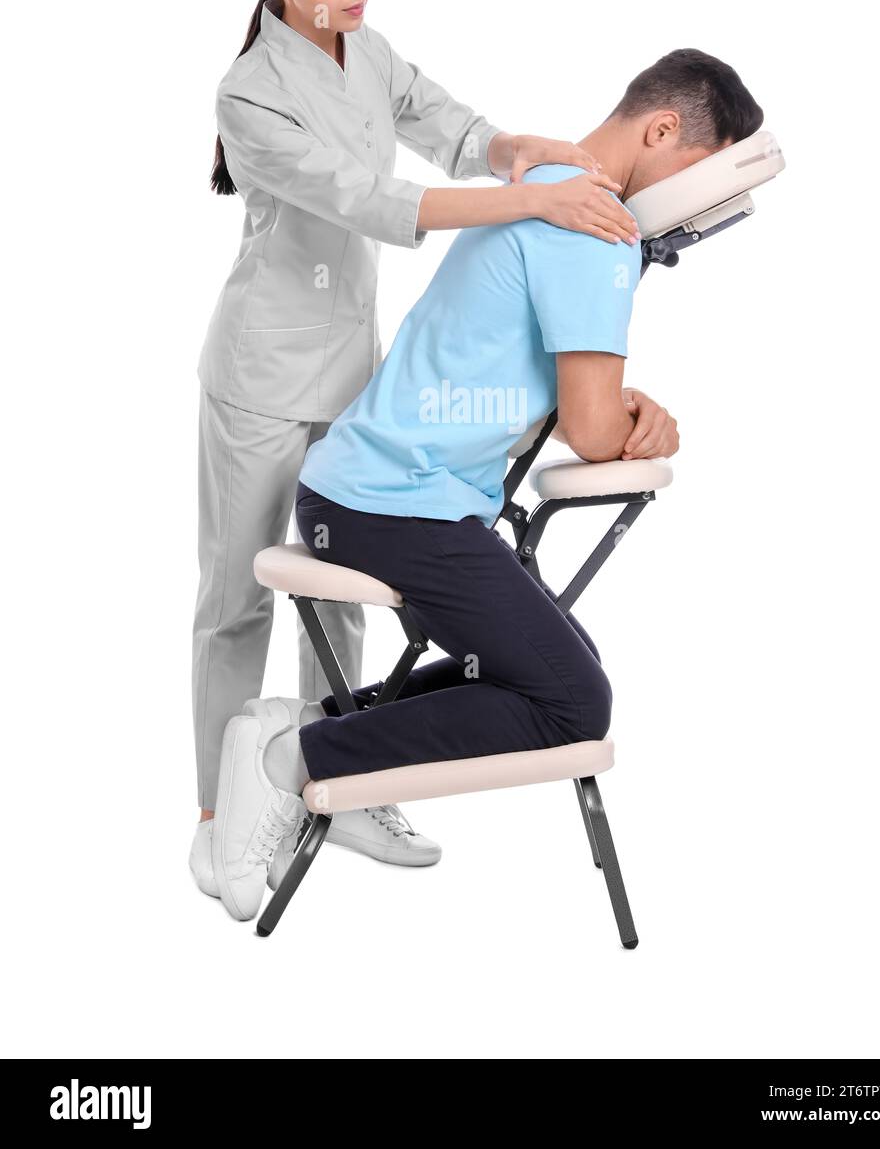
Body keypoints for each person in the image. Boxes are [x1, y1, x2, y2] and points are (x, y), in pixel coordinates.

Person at [210, 48, 765, 921]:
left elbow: (549, 378)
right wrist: (641, 418)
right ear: (663, 131)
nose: (696, 207)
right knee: (574, 701)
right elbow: (589, 428)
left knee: (563, 668)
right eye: (700, 174)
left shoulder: (541, 180)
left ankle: (299, 722)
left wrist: (621, 404)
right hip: (391, 506)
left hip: (367, 495)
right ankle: (294, 761)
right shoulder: (596, 229)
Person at [190, 0, 638, 900]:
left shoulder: (368, 50)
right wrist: (534, 205)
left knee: (333, 595)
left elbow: (441, 121)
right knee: (234, 600)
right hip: (261, 368)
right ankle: (222, 815)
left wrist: (514, 150)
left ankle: (341, 783)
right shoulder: (248, 91)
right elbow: (367, 196)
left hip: (351, 367)